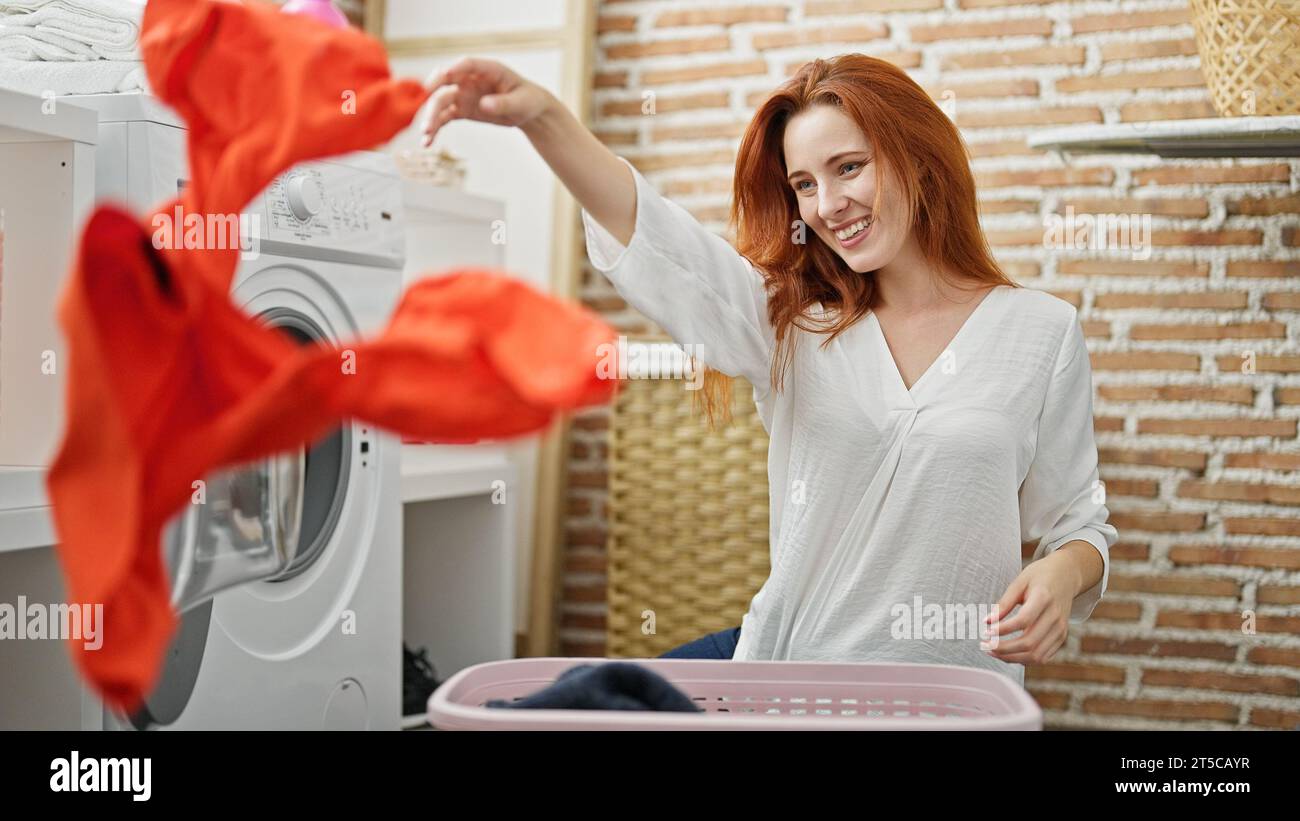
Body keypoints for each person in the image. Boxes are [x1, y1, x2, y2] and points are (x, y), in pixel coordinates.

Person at [420, 54, 1118, 681]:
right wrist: (543, 117)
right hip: (789, 675)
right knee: (555, 708)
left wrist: (1061, 571)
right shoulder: (790, 324)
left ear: (918, 156)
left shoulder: (1042, 332)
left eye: (849, 167)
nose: (827, 205)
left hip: (952, 692)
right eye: (804, 185)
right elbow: (660, 238)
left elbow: (1078, 523)